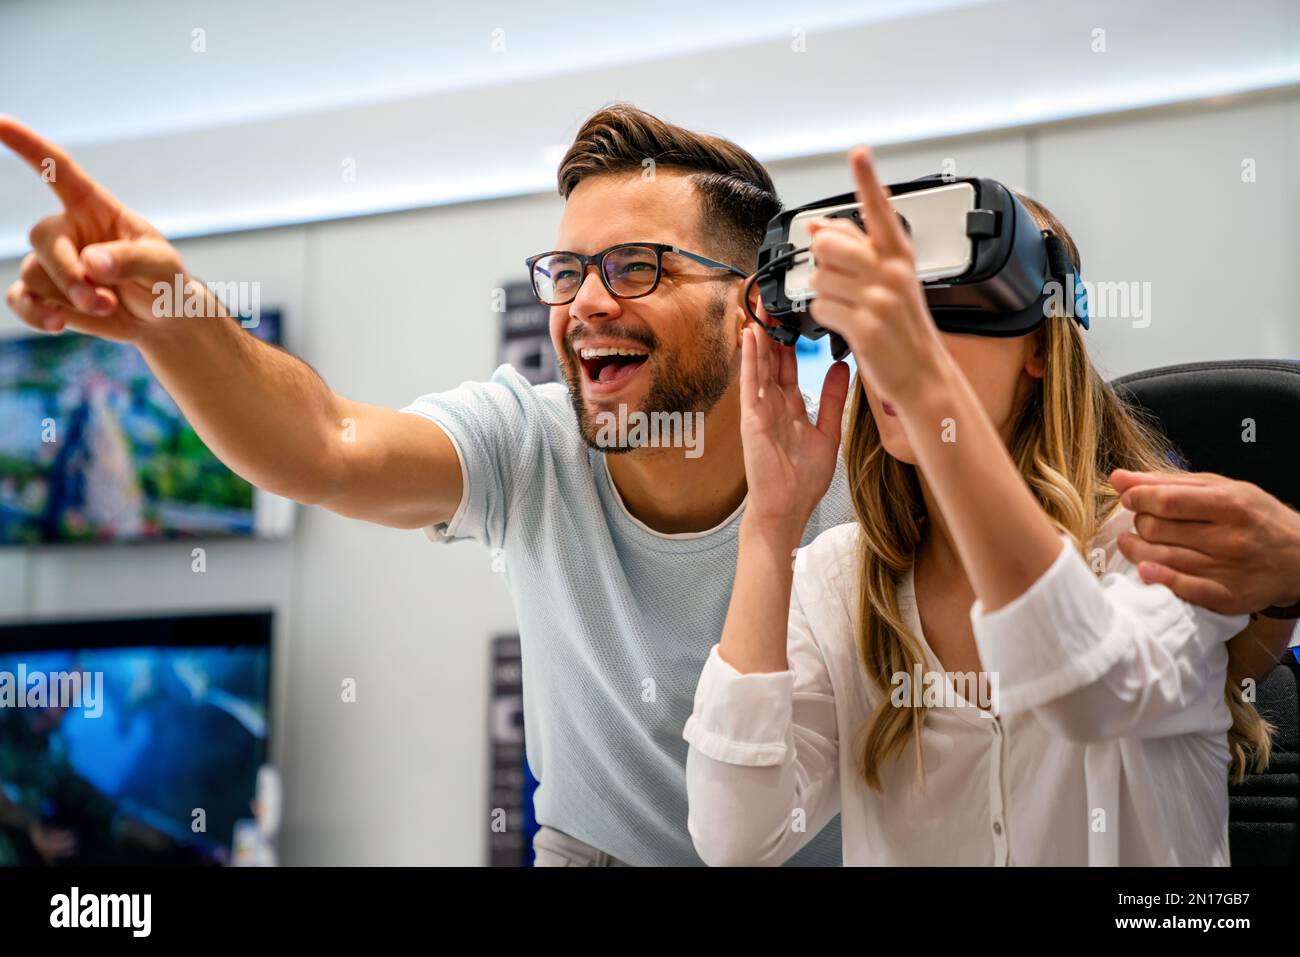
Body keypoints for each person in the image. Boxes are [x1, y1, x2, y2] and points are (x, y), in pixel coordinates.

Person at [2, 107, 1293, 866]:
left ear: (757, 301)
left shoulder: (881, 452)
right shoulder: (534, 442)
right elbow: (324, 445)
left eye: (632, 268)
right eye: (563, 275)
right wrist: (170, 310)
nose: (581, 308)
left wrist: (1276, 593)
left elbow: (1135, 649)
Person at [683, 146, 1294, 866]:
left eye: (935, 312)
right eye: (885, 322)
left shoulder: (1159, 543)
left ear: (1036, 344)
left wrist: (930, 392)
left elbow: (1086, 688)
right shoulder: (838, 580)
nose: (893, 351)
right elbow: (735, 835)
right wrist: (770, 525)